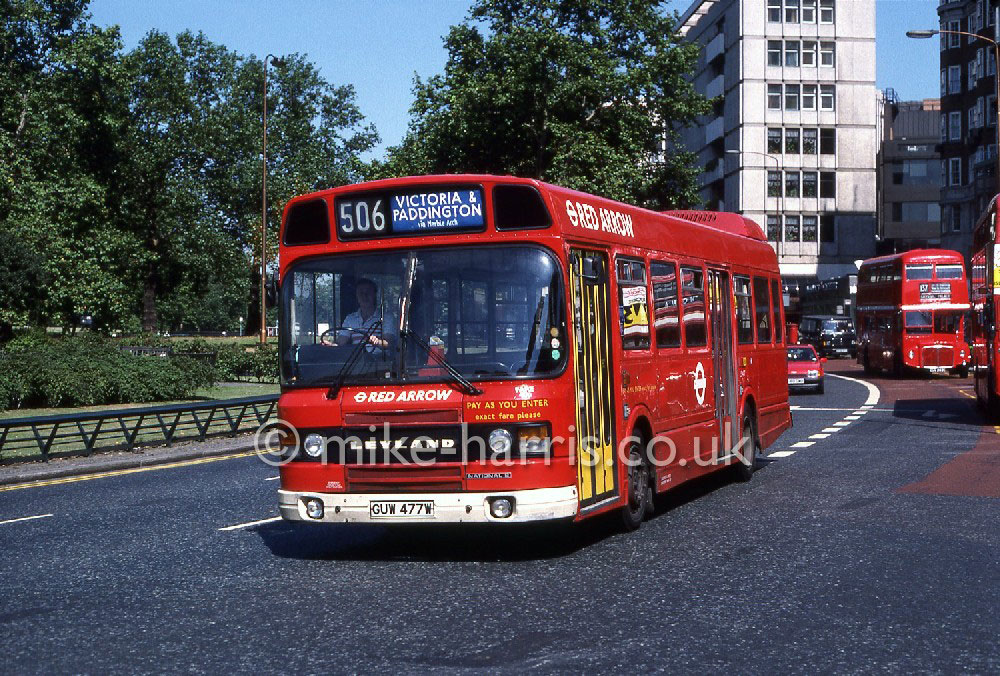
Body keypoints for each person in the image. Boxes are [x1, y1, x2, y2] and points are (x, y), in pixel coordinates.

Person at [322, 278, 390, 348]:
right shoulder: (350, 319)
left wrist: (378, 342)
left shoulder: (386, 317)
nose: (364, 296)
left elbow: (389, 343)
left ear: (374, 295)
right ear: (356, 296)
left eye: (368, 292)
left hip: (378, 355)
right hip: (356, 355)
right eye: (361, 293)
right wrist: (331, 345)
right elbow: (340, 342)